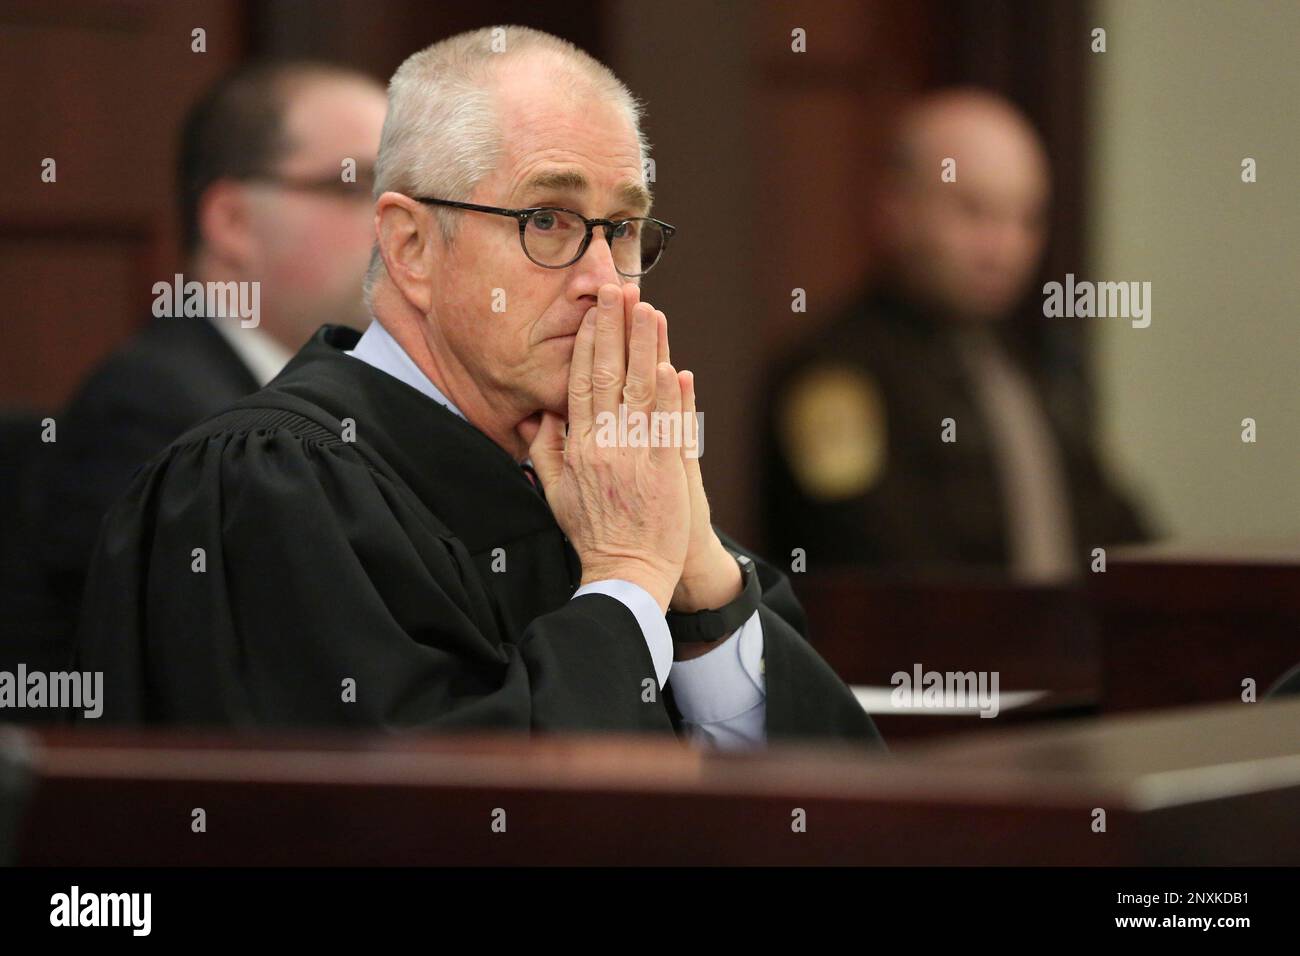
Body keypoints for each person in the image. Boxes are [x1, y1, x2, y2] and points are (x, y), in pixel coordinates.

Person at [75, 27, 881, 750]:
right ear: (412, 245)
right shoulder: (266, 486)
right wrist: (629, 582)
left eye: (624, 229)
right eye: (547, 221)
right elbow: (428, 824)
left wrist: (702, 590)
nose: (608, 284)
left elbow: (840, 819)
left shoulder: (605, 478)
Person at [1, 62, 386, 687]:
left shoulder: (355, 399)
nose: (394, 226)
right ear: (231, 222)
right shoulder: (150, 410)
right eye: (357, 186)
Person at [763, 88, 1147, 580]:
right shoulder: (832, 373)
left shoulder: (1031, 362)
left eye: (1026, 219)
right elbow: (876, 562)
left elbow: (1116, 525)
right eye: (973, 211)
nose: (1003, 247)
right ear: (896, 208)